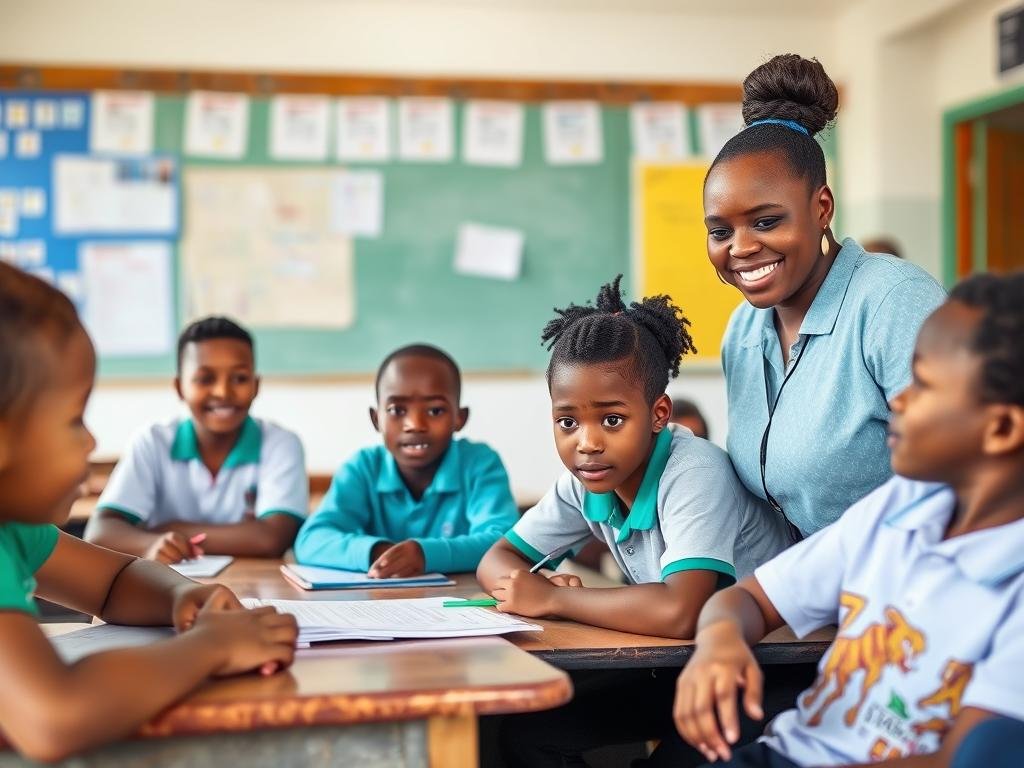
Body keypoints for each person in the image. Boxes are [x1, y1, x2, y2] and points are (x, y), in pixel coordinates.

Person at [673, 272, 1024, 767]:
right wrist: (719, 643)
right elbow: (747, 599)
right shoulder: (899, 506)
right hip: (784, 751)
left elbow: (965, 761)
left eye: (922, 383)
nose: (897, 398)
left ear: (1003, 427)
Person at [478, 276, 793, 768]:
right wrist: (523, 586)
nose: (587, 442)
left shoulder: (695, 471)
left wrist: (557, 598)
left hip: (766, 668)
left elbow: (681, 610)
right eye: (567, 422)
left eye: (611, 419)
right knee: (529, 732)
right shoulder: (585, 481)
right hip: (677, 664)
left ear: (658, 413)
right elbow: (499, 558)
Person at [0, 264, 297, 762]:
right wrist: (210, 647)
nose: (92, 441)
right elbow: (55, 716)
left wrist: (185, 594)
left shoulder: (12, 531)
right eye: (76, 418)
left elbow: (112, 581)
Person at [705, 54, 946, 537]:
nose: (742, 248)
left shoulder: (894, 302)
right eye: (719, 231)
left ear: (822, 208)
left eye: (766, 221)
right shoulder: (744, 330)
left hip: (898, 594)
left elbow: (955, 483)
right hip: (795, 596)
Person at [85, 317, 308, 562]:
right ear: (180, 387)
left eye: (240, 378)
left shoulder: (280, 444)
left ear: (256, 386)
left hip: (258, 586)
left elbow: (271, 539)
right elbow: (99, 532)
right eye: (205, 379)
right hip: (165, 585)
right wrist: (151, 544)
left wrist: (172, 530)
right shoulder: (153, 442)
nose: (223, 392)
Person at [294, 344, 518, 576]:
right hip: (379, 604)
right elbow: (311, 540)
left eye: (435, 411)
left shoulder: (479, 464)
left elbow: (502, 543)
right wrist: (380, 553)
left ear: (459, 418)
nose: (415, 425)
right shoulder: (364, 468)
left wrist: (425, 555)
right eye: (397, 410)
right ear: (376, 419)